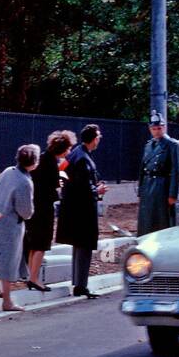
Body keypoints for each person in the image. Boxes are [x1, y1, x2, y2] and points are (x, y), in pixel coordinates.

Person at [0, 144, 38, 312]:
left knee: (2, 257)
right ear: (34, 162)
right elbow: (25, 211)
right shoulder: (25, 182)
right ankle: (7, 301)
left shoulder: (8, 171)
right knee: (8, 261)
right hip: (9, 224)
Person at [56, 124, 106, 298]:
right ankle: (81, 286)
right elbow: (82, 186)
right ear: (93, 138)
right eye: (98, 136)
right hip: (84, 210)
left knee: (79, 247)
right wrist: (97, 191)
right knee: (84, 246)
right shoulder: (83, 158)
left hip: (74, 208)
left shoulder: (75, 154)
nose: (99, 139)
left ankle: (78, 283)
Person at [26, 130, 71, 293]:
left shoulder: (42, 158)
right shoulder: (52, 163)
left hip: (33, 206)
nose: (69, 152)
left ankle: (31, 276)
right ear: (63, 149)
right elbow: (55, 185)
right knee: (42, 244)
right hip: (44, 207)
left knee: (33, 244)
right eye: (68, 149)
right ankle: (34, 278)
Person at [137, 113, 179, 236]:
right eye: (154, 129)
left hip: (162, 186)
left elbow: (175, 171)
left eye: (159, 128)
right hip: (147, 186)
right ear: (150, 129)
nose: (156, 131)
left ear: (164, 127)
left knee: (161, 220)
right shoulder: (148, 145)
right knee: (147, 220)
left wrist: (172, 194)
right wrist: (140, 190)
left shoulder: (172, 145)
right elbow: (142, 169)